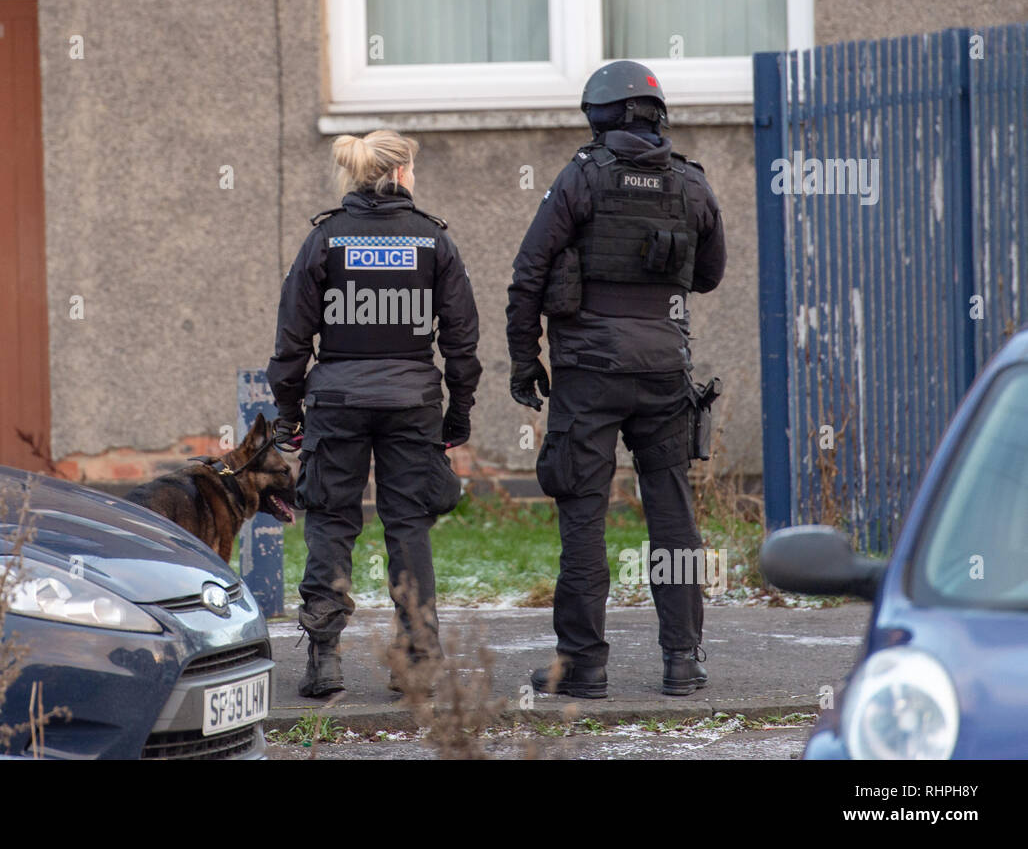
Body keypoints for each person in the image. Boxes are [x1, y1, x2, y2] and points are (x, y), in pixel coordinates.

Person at [506, 61, 726, 698]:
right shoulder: (692, 183)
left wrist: (526, 360)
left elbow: (528, 274)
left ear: (600, 114)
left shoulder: (580, 177)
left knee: (583, 515)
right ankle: (682, 661)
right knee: (674, 516)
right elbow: (709, 275)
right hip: (664, 372)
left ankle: (583, 667)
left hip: (590, 376)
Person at [268, 129, 481, 698]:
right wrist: (457, 416)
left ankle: (324, 661)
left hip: (335, 402)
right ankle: (416, 665)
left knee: (331, 521)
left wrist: (289, 413)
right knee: (408, 525)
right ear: (401, 173)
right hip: (413, 404)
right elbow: (462, 344)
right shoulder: (434, 243)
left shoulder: (325, 241)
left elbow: (291, 340)